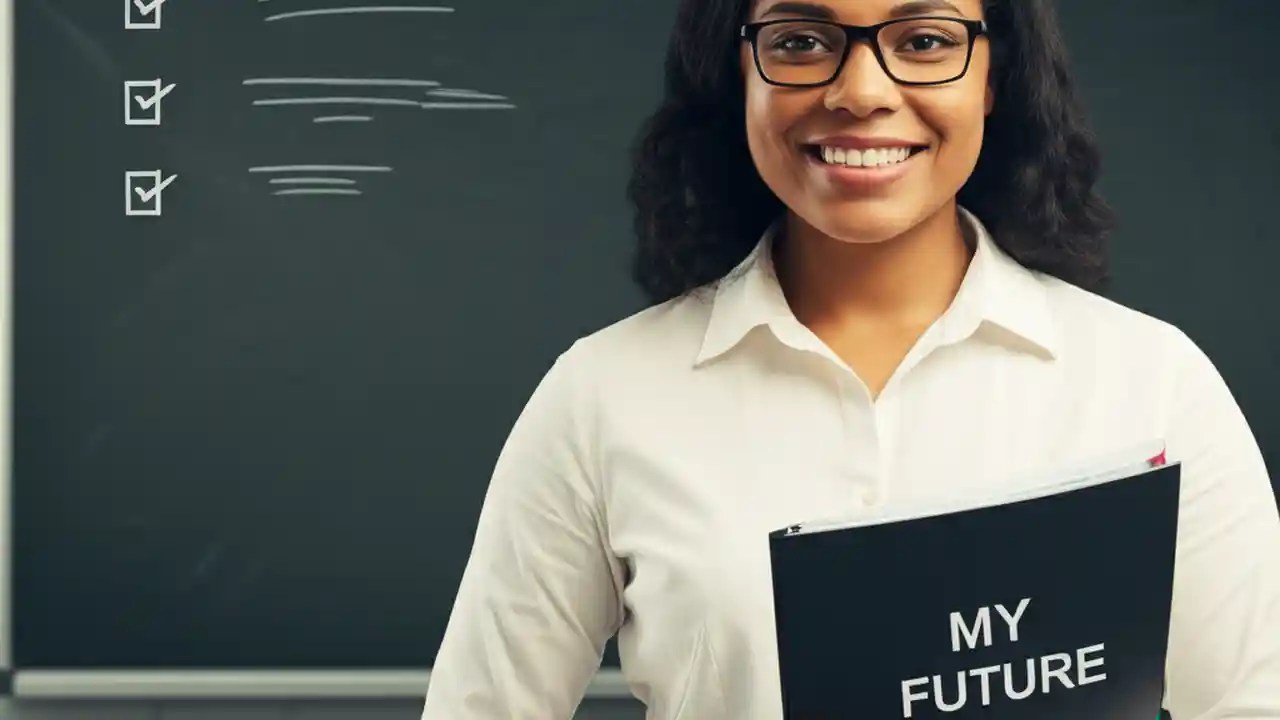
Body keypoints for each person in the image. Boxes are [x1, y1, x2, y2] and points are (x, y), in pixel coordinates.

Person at [421, 0, 1280, 717]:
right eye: (800, 41)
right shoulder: (603, 398)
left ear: (995, 77)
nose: (861, 90)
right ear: (738, 74)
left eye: (925, 41)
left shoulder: (1152, 384)